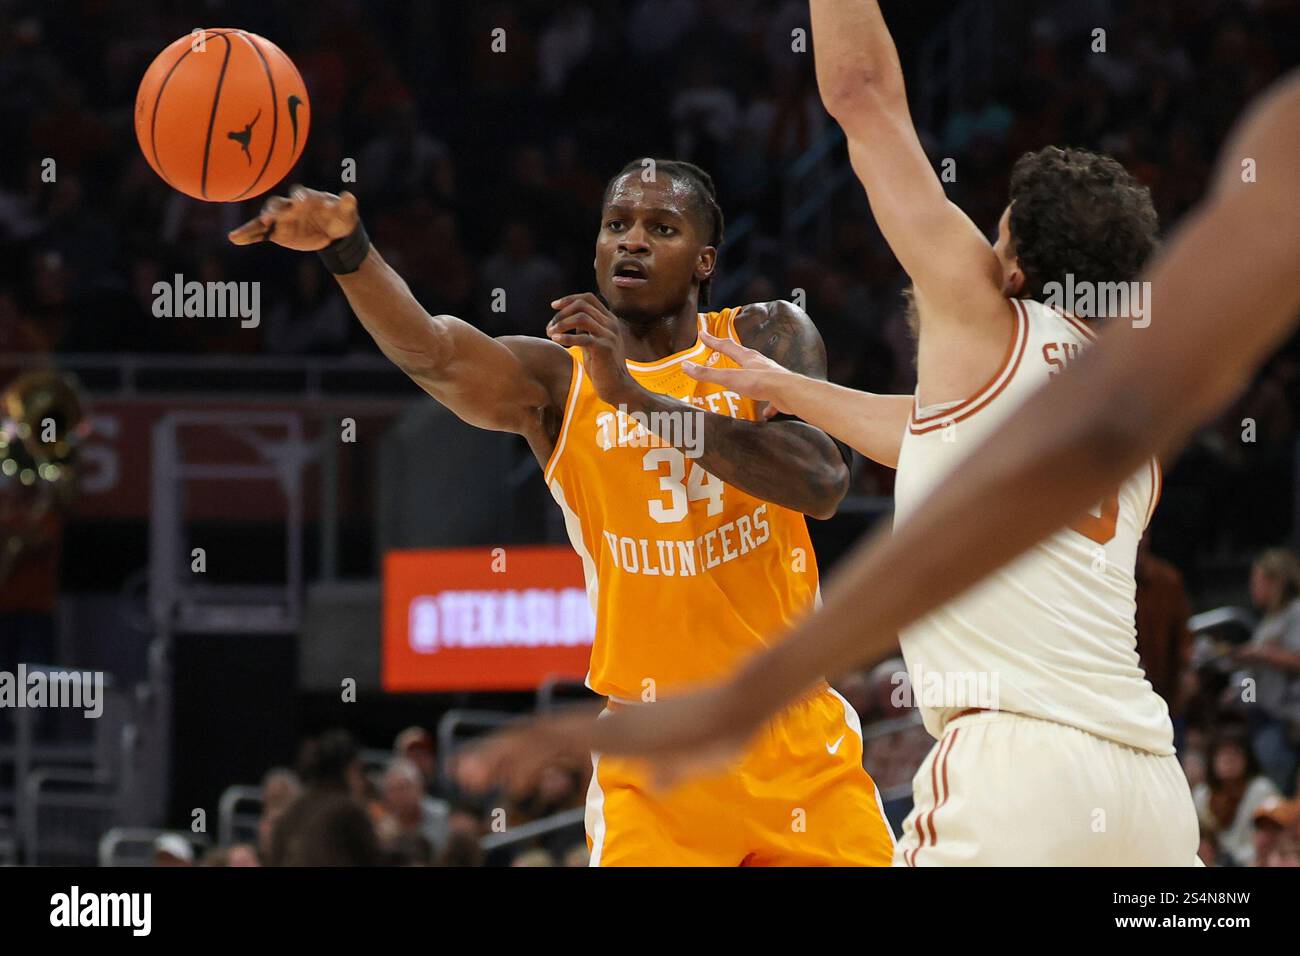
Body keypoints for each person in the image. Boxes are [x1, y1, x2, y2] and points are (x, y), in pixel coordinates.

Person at [462, 31, 1300, 866]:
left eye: (994, 237)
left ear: (1009, 271)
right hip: (1150, 786)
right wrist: (789, 391)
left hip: (1016, 769)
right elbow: (933, 437)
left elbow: (862, 94)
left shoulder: (985, 325)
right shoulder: (1125, 410)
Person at [229, 158, 893, 866]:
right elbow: (433, 351)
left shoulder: (762, 338)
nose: (631, 241)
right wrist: (348, 251)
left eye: (660, 228)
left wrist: (638, 401)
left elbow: (822, 481)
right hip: (654, 754)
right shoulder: (556, 381)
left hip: (792, 732)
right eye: (617, 226)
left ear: (705, 261)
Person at [1235, 548, 1300, 791]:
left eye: (1257, 580)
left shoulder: (1295, 612)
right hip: (1259, 717)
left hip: (1284, 722)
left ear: (1276, 582)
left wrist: (1261, 653)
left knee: (1275, 789)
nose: (1252, 587)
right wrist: (1240, 694)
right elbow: (1251, 679)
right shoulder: (1268, 619)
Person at [1193, 730, 1279, 866]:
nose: (1228, 759)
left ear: (1247, 759)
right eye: (1222, 753)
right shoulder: (1201, 795)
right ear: (1212, 759)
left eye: (1235, 753)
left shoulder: (1262, 790)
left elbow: (1271, 838)